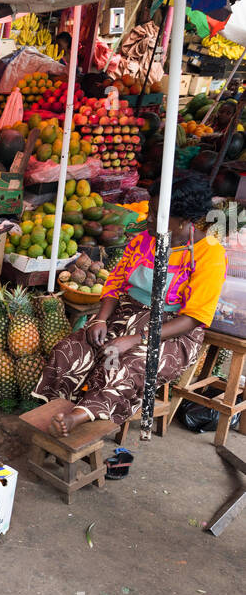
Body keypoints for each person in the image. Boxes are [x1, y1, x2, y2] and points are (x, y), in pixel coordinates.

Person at [35, 174, 227, 435]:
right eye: (150, 209)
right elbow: (114, 284)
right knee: (71, 349)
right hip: (125, 314)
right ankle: (58, 410)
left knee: (126, 366)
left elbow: (193, 317)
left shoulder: (210, 253)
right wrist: (101, 319)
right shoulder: (143, 240)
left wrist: (136, 339)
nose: (148, 218)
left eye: (157, 214)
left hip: (171, 332)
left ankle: (77, 419)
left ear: (183, 220)